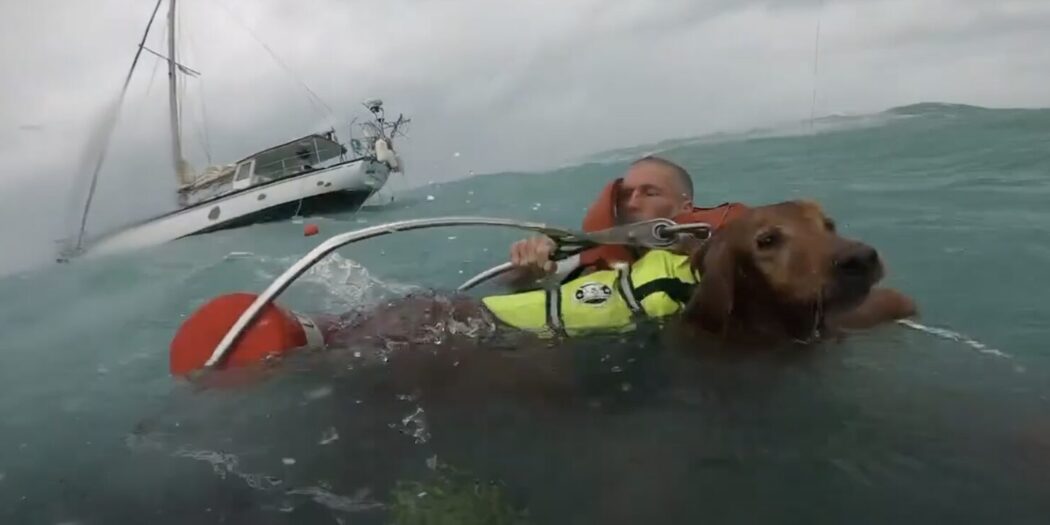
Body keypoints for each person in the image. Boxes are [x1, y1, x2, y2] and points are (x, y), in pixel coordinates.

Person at [504, 155, 747, 291]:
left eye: (649, 193)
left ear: (686, 209)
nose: (631, 203)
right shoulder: (583, 261)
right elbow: (520, 290)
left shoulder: (722, 253)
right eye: (625, 194)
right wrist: (527, 272)